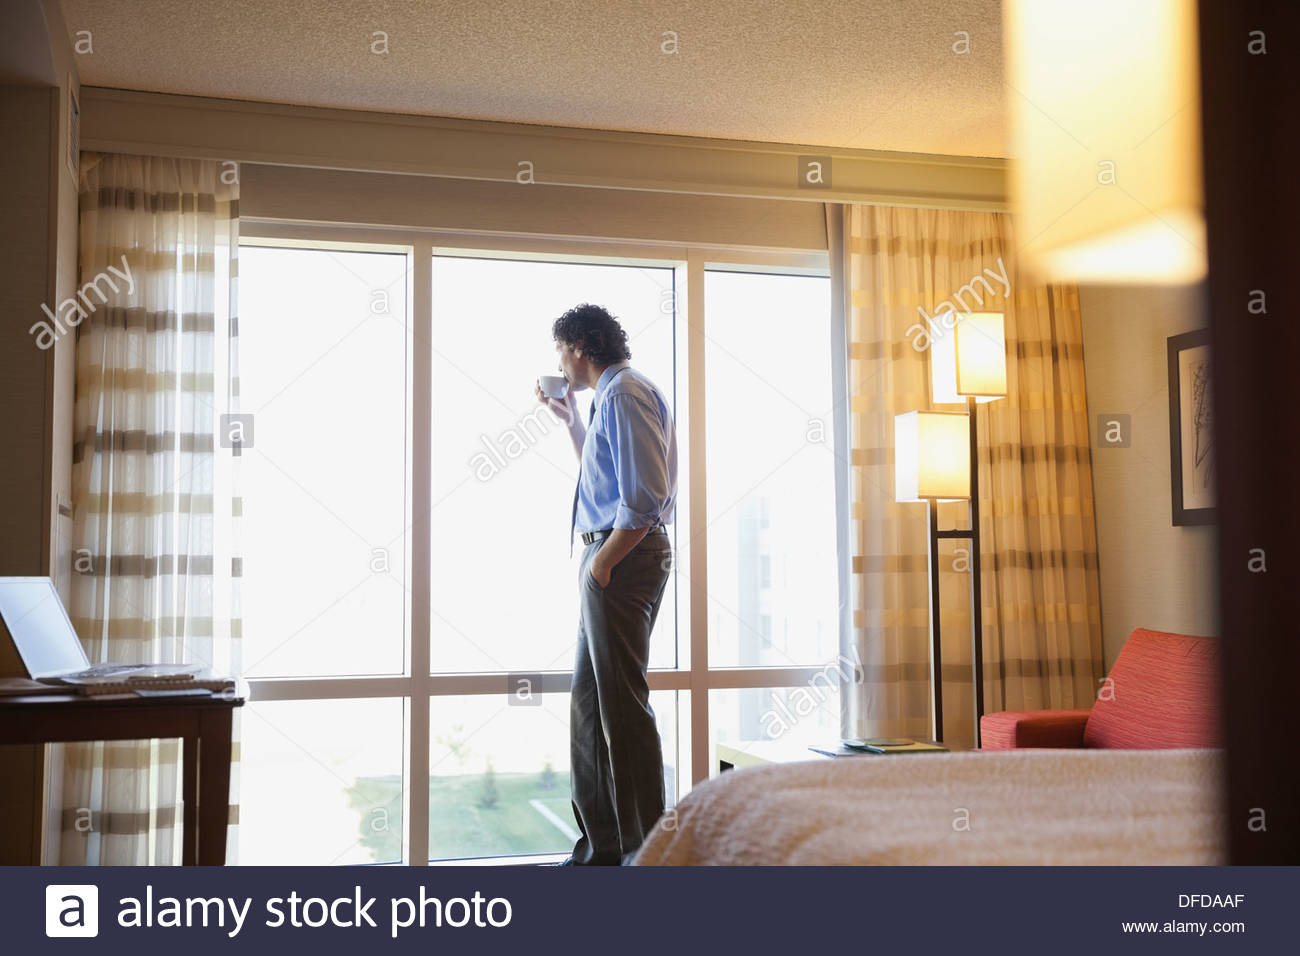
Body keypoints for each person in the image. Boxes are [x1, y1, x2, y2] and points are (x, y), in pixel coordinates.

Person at [534, 303, 677, 866]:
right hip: (613, 554)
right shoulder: (613, 395)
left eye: (559, 352)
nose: (560, 363)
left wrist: (602, 564)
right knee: (592, 705)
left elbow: (644, 496)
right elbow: (603, 473)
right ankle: (604, 847)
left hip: (621, 556)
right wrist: (569, 418)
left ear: (578, 348)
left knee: (620, 705)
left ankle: (646, 854)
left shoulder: (622, 393)